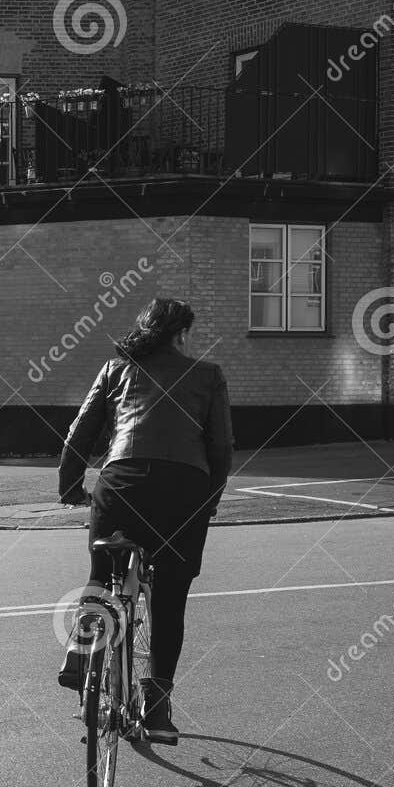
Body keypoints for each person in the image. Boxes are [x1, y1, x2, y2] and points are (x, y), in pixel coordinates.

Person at [56, 298, 233, 746]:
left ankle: (82, 647)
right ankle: (156, 709)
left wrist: (71, 487)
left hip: (122, 485)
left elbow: (79, 433)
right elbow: (221, 449)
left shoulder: (116, 369)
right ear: (181, 335)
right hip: (183, 492)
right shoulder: (208, 375)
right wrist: (208, 503)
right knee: (170, 598)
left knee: (101, 575)